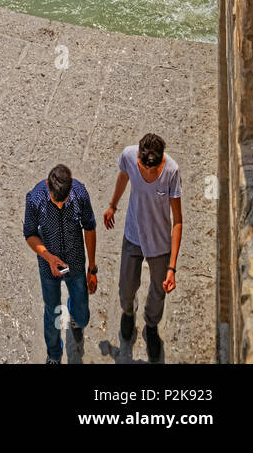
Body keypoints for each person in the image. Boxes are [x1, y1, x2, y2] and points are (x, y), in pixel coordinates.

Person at [102, 133, 182, 363]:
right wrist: (112, 205)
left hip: (159, 242)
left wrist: (172, 268)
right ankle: (128, 313)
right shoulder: (129, 156)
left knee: (159, 291)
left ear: (160, 161)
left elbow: (177, 221)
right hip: (133, 234)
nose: (146, 172)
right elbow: (124, 176)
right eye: (142, 166)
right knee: (126, 287)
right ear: (138, 156)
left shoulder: (172, 171)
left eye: (151, 169)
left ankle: (151, 326)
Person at [24, 164, 98, 364]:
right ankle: (54, 354)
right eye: (55, 200)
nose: (58, 205)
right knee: (52, 311)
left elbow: (89, 228)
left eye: (62, 201)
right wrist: (48, 257)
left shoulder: (80, 194)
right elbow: (29, 234)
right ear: (47, 184)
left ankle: (74, 313)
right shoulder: (34, 199)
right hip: (48, 267)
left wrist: (92, 269)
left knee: (82, 317)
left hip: (75, 263)